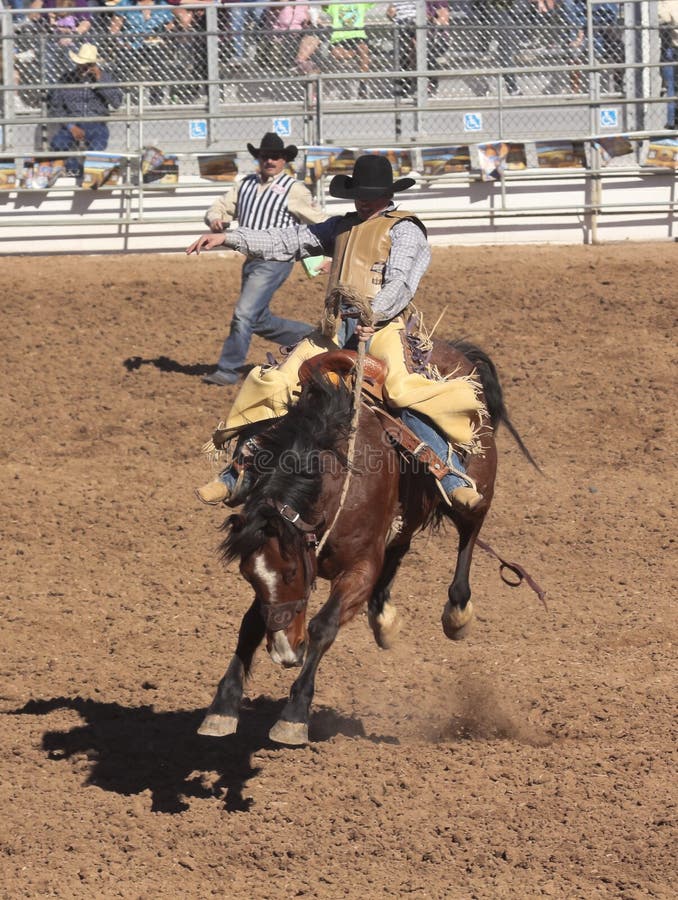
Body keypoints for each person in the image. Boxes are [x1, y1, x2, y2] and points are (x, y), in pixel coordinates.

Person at [187, 154, 486, 513]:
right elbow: (288, 240)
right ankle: (236, 475)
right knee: (277, 382)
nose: (362, 199)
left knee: (401, 390)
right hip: (333, 328)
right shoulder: (341, 226)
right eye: (358, 192)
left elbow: (402, 281)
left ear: (387, 194)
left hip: (381, 326)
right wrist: (229, 238)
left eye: (370, 193)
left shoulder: (405, 228)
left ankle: (451, 477)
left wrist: (373, 315)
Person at [201, 131, 328, 387]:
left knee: (243, 314)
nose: (270, 161)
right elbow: (220, 206)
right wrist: (215, 218)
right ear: (259, 158)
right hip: (251, 258)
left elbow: (319, 222)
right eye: (265, 156)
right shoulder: (245, 184)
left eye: (275, 157)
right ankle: (311, 337)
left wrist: (324, 254)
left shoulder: (295, 190)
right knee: (256, 319)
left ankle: (227, 370)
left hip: (276, 259)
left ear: (284, 160)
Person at [48, 42, 122, 176]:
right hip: (73, 123)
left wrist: (100, 80)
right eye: (81, 64)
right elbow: (56, 107)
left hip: (96, 123)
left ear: (94, 65)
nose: (83, 68)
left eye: (88, 65)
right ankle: (73, 170)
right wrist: (71, 126)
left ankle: (89, 173)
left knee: (98, 145)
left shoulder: (105, 78)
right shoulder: (66, 79)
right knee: (58, 143)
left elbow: (116, 102)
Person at [659, 1, 678, 129]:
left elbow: (664, 17)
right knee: (671, 86)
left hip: (673, 47)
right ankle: (672, 122)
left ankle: (671, 123)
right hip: (672, 45)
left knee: (671, 86)